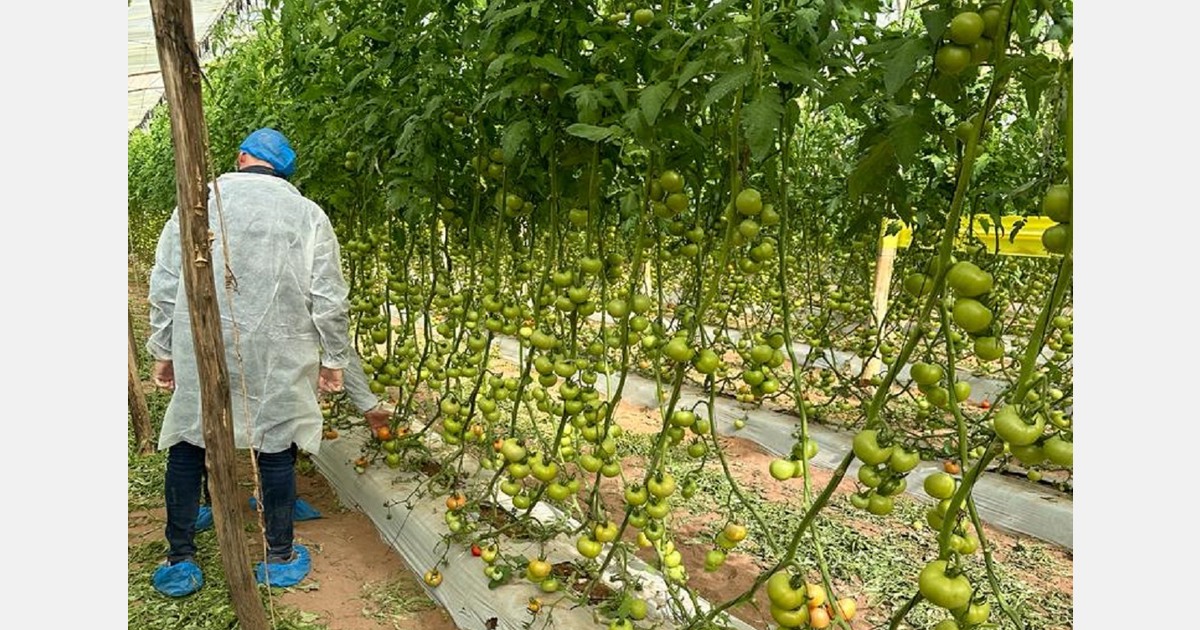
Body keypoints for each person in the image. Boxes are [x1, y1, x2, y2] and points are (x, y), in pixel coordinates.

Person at [146, 128, 353, 597]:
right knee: (274, 441)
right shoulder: (307, 215)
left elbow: (164, 279)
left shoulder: (198, 204)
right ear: (284, 171)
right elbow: (328, 295)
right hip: (279, 347)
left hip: (200, 341)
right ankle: (278, 555)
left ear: (242, 158)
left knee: (190, 435)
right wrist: (334, 359)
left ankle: (180, 556)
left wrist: (162, 350)